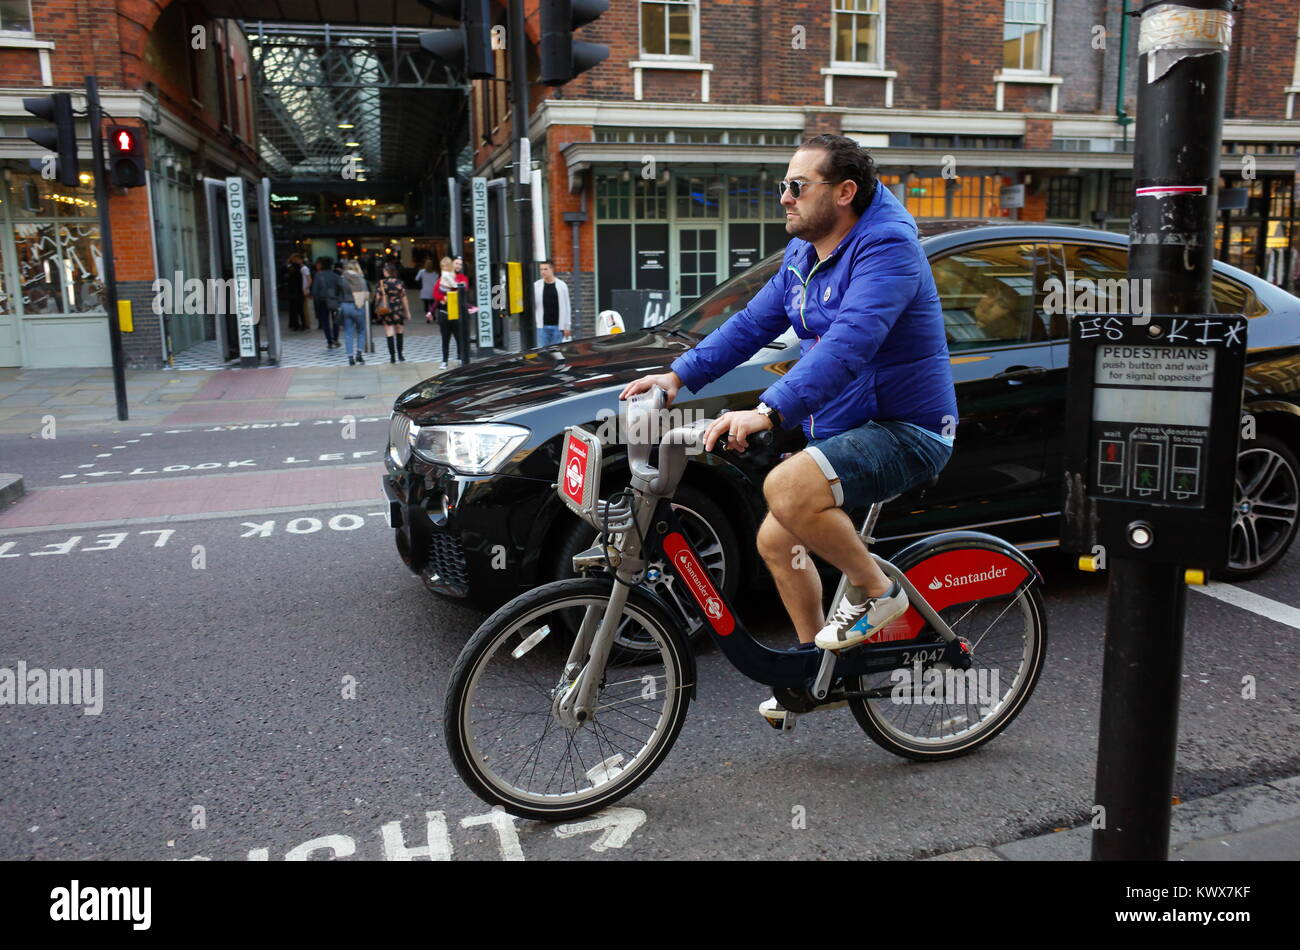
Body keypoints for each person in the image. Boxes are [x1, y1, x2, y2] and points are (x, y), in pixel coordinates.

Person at [619, 134, 957, 726]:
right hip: (846, 426)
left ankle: (879, 593)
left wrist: (769, 411)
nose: (784, 198)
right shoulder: (806, 252)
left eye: (797, 186)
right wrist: (677, 377)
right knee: (777, 541)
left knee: (786, 488)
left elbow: (853, 342)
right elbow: (751, 324)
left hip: (909, 428)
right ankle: (811, 674)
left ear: (845, 192)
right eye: (783, 186)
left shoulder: (888, 248)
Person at [431, 256, 468, 369]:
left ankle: (460, 358)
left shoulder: (463, 278)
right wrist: (444, 297)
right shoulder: (443, 277)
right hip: (444, 312)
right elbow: (436, 294)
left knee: (459, 337)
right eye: (456, 263)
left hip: (457, 312)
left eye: (460, 264)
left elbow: (463, 291)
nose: (458, 266)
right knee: (445, 338)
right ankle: (444, 361)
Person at [375, 261, 410, 362]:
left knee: (389, 332)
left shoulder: (381, 283)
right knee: (399, 331)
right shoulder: (399, 283)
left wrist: (377, 309)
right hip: (398, 309)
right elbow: (404, 298)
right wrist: (407, 312)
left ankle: (392, 357)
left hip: (386, 310)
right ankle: (400, 354)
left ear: (386, 271)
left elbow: (377, 298)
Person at [338, 260, 369, 366]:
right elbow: (365, 294)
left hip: (345, 306)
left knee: (348, 332)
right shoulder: (361, 279)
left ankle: (350, 357)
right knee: (361, 330)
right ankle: (359, 354)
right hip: (358, 306)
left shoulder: (342, 279)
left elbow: (338, 293)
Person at [534, 260, 572, 347]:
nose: (543, 272)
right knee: (543, 352)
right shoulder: (536, 286)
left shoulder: (562, 285)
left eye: (545, 269)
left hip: (558, 327)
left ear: (552, 269)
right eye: (541, 269)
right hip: (541, 327)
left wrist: (567, 327)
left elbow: (567, 307)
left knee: (556, 352)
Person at [311, 256, 343, 349]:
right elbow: (341, 289)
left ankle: (329, 341)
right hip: (334, 300)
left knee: (325, 322)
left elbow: (315, 291)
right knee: (335, 320)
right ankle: (336, 339)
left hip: (322, 300)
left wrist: (316, 302)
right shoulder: (336, 275)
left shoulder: (318, 275)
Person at [285, 254, 308, 331]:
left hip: (296, 291)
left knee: (297, 309)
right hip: (297, 291)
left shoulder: (296, 269)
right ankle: (300, 324)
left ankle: (298, 325)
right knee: (298, 309)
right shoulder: (298, 268)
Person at [417, 257, 439, 324]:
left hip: (424, 290)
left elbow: (417, 279)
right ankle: (433, 315)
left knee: (426, 306)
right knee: (433, 305)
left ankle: (428, 318)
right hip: (433, 291)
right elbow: (437, 281)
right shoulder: (435, 273)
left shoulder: (421, 272)